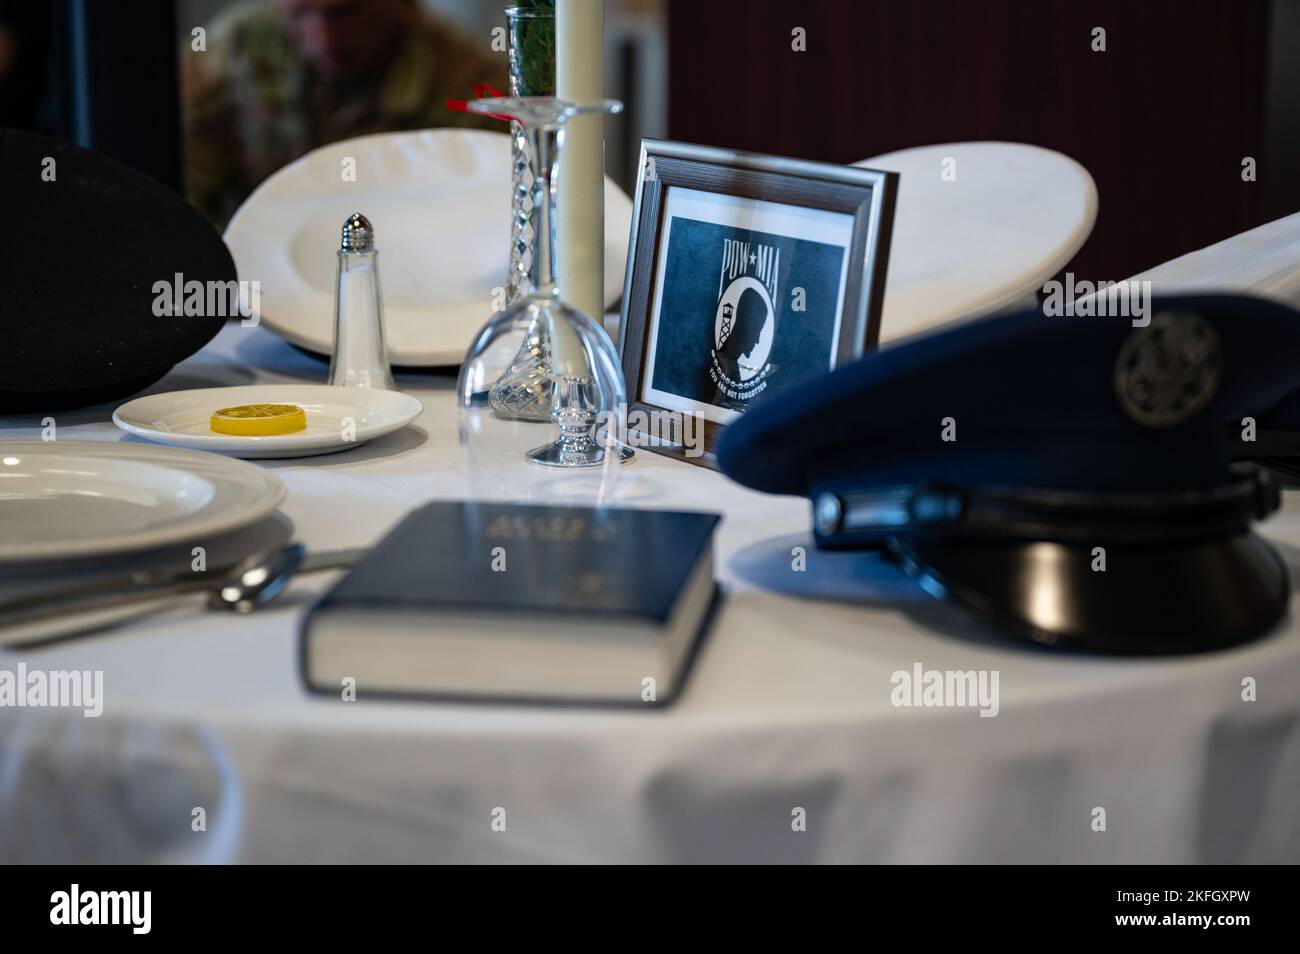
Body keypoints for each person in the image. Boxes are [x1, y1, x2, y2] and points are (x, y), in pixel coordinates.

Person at [182, 0, 507, 227]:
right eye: (302, 13)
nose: (325, 38)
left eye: (346, 12)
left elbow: (486, 224)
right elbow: (182, 187)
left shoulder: (471, 86)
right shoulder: (233, 51)